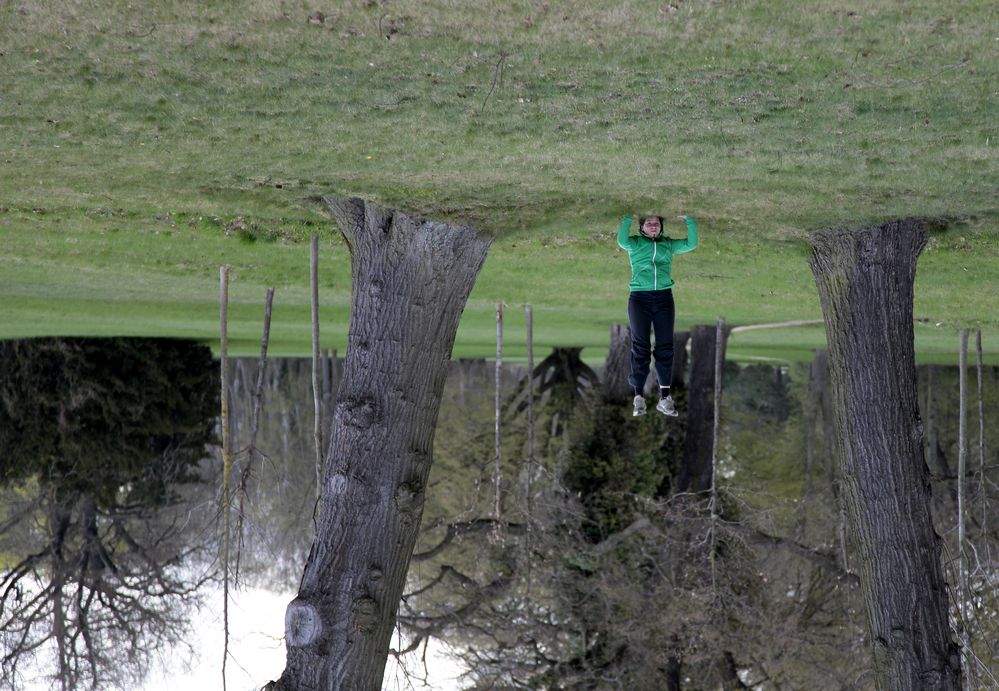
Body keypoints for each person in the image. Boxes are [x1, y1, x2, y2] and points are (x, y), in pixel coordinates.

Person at [616, 213, 698, 417]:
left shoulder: (668, 245)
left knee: (665, 347)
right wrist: (627, 219)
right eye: (649, 223)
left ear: (661, 227)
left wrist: (689, 221)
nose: (653, 226)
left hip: (664, 299)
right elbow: (622, 241)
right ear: (642, 227)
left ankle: (665, 398)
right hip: (639, 299)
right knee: (640, 346)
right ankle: (638, 396)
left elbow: (691, 244)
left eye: (657, 224)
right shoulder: (635, 243)